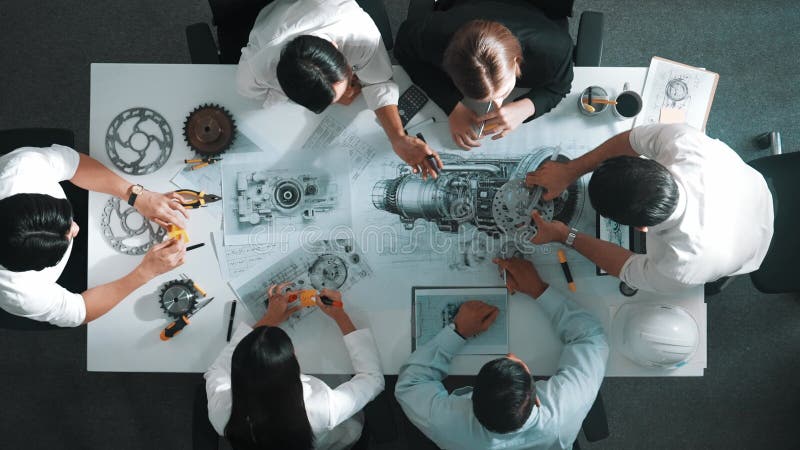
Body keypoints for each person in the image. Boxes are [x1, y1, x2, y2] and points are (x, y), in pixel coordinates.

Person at [526, 123, 775, 292]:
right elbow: (633, 139)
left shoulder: (683, 265)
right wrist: (570, 170)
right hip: (753, 187)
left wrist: (564, 235)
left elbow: (626, 268)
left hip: (752, 248)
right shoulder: (685, 143)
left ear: (639, 228)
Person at [395, 257, 608, 450]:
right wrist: (538, 289)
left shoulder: (448, 424)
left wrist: (457, 332)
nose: (512, 356)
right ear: (536, 400)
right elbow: (591, 338)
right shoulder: (563, 410)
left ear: (470, 398)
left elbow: (410, 385)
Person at [237, 0, 442, 179]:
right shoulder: (259, 65)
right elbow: (248, 91)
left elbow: (379, 81)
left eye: (349, 81)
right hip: (274, 16)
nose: (350, 91)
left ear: (337, 48)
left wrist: (398, 137)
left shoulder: (360, 34)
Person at [0, 145, 188, 327]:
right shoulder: (18, 293)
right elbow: (79, 311)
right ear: (33, 268)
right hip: (73, 275)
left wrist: (137, 196)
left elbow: (73, 164)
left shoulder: (21, 169)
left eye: (66, 218)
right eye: (65, 237)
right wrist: (145, 273)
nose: (76, 228)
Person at [205, 284, 384, 450]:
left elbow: (217, 370)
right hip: (324, 441)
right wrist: (340, 315)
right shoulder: (322, 406)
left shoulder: (221, 411)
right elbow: (372, 378)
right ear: (293, 365)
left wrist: (269, 318)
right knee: (350, 429)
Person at [394, 0, 574, 149]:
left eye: (502, 94)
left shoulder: (554, 49)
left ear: (516, 61)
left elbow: (560, 86)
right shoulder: (434, 34)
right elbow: (403, 49)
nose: (497, 105)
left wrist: (527, 107)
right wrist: (452, 106)